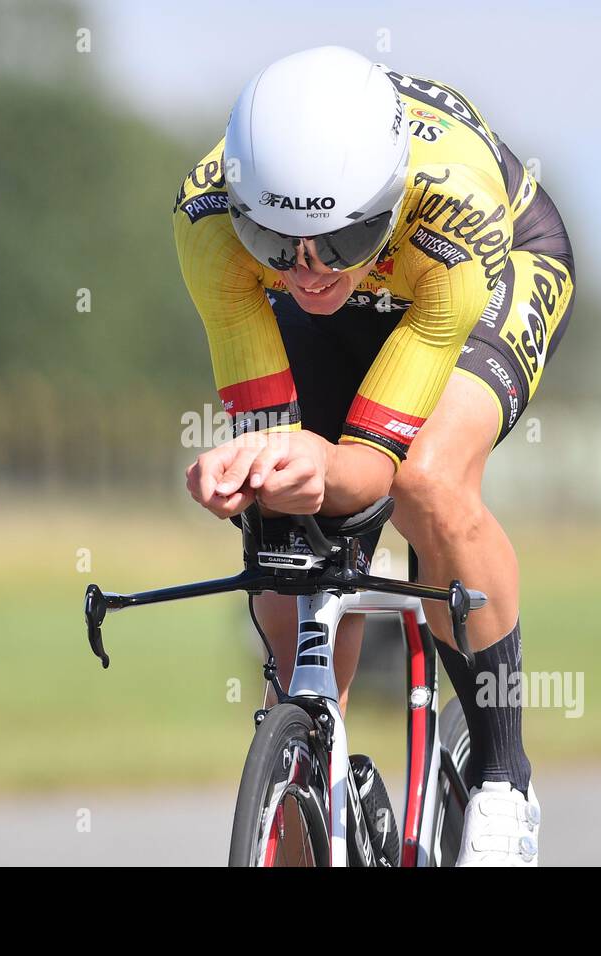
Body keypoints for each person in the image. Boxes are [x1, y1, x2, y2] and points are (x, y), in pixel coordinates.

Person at [172, 46, 574, 866]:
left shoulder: (454, 216)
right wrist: (254, 470)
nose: (308, 270)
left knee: (428, 481)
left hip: (478, 277)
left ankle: (504, 781)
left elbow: (372, 469)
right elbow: (291, 452)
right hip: (381, 283)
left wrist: (322, 466)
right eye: (276, 240)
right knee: (287, 539)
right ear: (242, 208)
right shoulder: (209, 225)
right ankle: (304, 776)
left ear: (383, 204)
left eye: (338, 237)